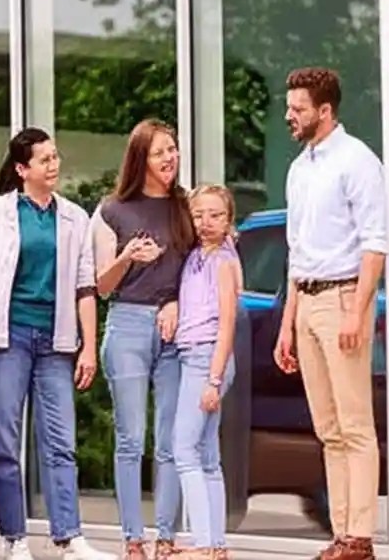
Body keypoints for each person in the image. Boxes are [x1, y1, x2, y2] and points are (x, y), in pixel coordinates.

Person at [0, 128, 113, 560]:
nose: (54, 165)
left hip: (56, 341)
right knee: (5, 442)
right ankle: (13, 538)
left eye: (55, 157)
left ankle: (70, 538)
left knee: (60, 441)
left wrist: (89, 347)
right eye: (45, 159)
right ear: (22, 169)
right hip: (5, 340)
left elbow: (86, 287)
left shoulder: (74, 216)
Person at [272, 68, 386, 560]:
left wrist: (359, 313)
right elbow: (297, 253)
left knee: (355, 425)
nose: (289, 116)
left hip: (344, 299)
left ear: (325, 110)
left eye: (298, 109)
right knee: (328, 429)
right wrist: (286, 326)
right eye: (289, 107)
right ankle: (342, 536)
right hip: (307, 302)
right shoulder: (299, 169)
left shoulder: (357, 161)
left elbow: (375, 245)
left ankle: (359, 536)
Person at [91, 119, 196, 560]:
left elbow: (200, 270)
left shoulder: (186, 205)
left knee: (171, 439)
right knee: (131, 438)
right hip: (128, 325)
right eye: (159, 152)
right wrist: (126, 256)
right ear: (140, 159)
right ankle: (134, 540)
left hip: (176, 329)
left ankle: (167, 539)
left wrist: (175, 301)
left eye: (172, 149)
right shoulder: (112, 209)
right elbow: (101, 286)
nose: (169, 158)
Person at [171, 184, 242, 560]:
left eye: (215, 215)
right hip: (193, 356)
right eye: (198, 215)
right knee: (207, 455)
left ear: (229, 219)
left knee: (184, 449)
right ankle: (215, 545)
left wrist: (214, 379)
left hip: (206, 359)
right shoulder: (197, 255)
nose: (205, 222)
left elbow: (227, 323)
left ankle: (201, 544)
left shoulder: (224, 261)